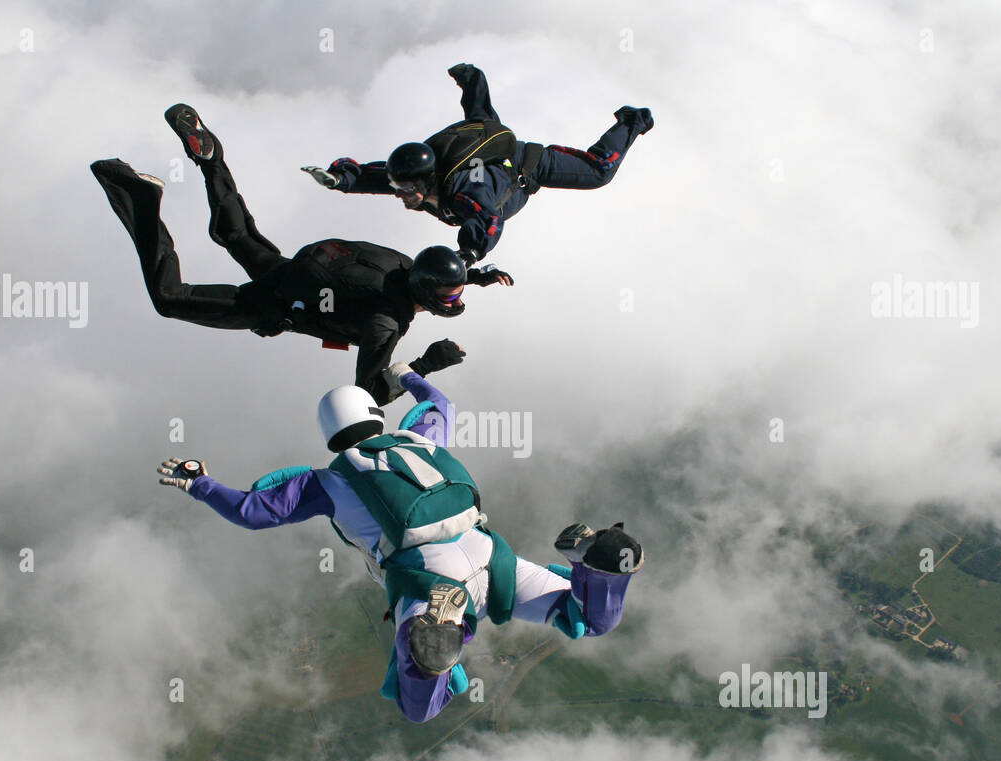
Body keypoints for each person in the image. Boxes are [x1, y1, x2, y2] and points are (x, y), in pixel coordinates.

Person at [156, 365, 645, 724]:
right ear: (374, 415)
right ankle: (599, 566)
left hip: (428, 579)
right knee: (587, 617)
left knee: (418, 704)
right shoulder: (419, 438)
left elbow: (251, 512)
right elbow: (442, 404)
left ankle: (437, 645)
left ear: (329, 435)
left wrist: (198, 482)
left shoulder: (328, 481)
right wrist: (408, 374)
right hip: (491, 555)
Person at [90, 104, 512, 405]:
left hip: (292, 270)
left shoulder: (403, 264)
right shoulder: (386, 322)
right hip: (274, 305)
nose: (455, 300)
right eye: (452, 297)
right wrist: (426, 364)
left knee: (234, 234)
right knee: (169, 299)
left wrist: (472, 276)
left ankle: (212, 162)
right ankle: (142, 199)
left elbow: (432, 272)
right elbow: (367, 394)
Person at [301, 63, 654, 264]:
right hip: (487, 156)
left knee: (599, 172)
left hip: (526, 163)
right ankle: (473, 78)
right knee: (482, 117)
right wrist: (339, 178)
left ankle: (632, 119)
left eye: (406, 189)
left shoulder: (465, 194)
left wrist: (469, 252)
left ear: (424, 184)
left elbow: (488, 218)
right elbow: (376, 175)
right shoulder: (414, 176)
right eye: (398, 187)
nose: (398, 194)